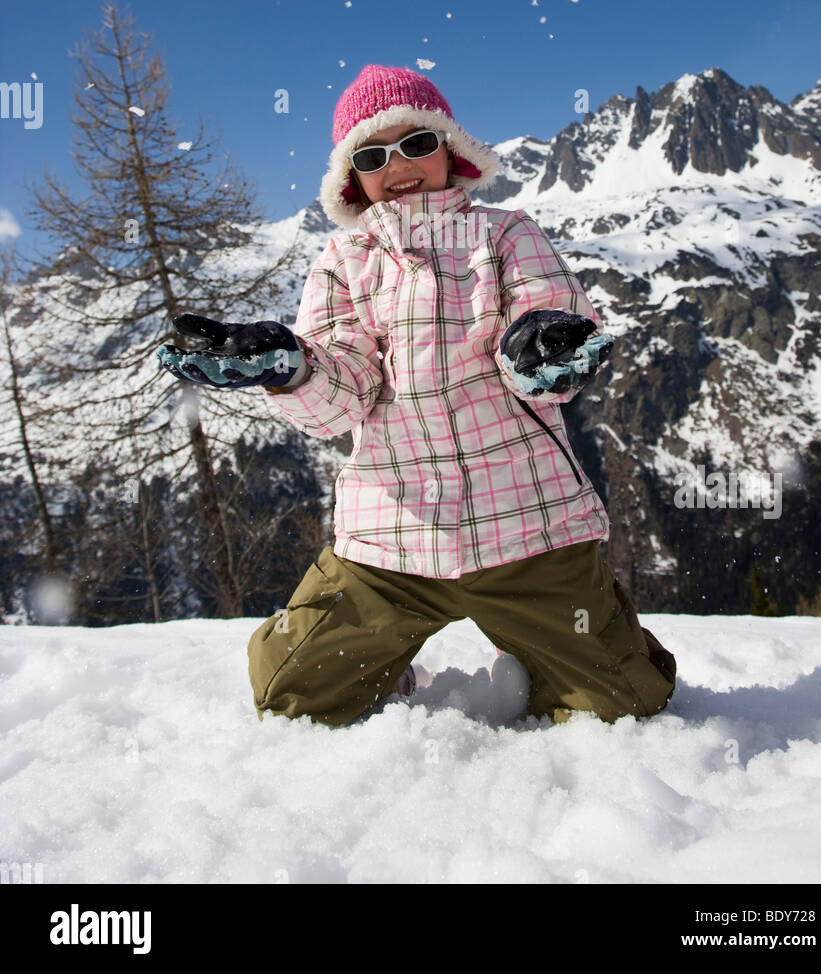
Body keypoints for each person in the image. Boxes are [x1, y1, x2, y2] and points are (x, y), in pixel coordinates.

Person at [160, 64, 676, 728]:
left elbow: (547, 316)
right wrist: (287, 366)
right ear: (353, 178)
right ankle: (392, 665)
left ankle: (553, 659)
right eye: (373, 155)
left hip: (524, 527)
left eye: (417, 143)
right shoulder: (344, 260)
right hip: (390, 543)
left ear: (450, 149)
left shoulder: (505, 234)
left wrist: (541, 347)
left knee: (627, 704)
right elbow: (343, 395)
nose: (397, 164)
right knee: (290, 690)